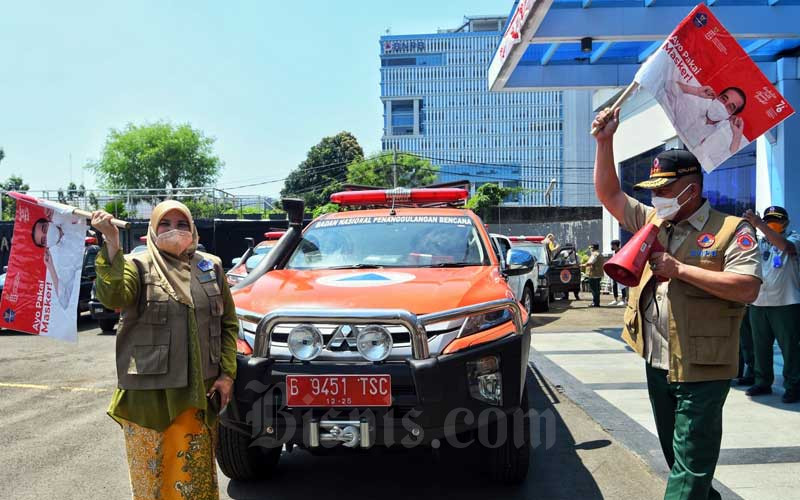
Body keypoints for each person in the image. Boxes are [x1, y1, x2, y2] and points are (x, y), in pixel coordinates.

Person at [592, 108, 762, 500]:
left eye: (666, 190)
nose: (657, 197)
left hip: (704, 364)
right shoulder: (654, 221)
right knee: (679, 459)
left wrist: (679, 269)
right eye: (654, 190)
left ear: (692, 187)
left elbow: (746, 287)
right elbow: (610, 194)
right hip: (658, 362)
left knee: (689, 469)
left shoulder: (732, 230)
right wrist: (604, 143)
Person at [92, 201, 238, 500]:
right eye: (165, 224)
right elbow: (113, 296)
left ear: (193, 229)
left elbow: (228, 324)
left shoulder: (210, 266)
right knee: (154, 480)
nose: (174, 230)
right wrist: (111, 242)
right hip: (149, 397)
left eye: (182, 224)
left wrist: (227, 374)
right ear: (153, 229)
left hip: (199, 395)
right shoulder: (136, 265)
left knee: (194, 480)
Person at [741, 206, 800, 403]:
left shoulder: (793, 238)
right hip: (759, 303)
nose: (771, 224)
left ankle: (794, 385)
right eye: (768, 220)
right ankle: (762, 381)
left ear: (786, 222)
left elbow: (786, 248)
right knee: (760, 346)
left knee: (790, 347)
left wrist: (760, 225)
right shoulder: (758, 242)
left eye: (776, 220)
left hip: (786, 303)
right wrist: (747, 226)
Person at [31, 211, 81, 309]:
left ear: (49, 222)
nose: (47, 235)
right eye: (43, 240)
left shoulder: (65, 218)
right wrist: (51, 268)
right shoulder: (62, 262)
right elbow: (64, 301)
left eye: (45, 229)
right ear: (46, 246)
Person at [583, 243, 604, 307]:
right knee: (597, 289)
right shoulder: (600, 254)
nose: (590, 249)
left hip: (593, 274)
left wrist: (583, 265)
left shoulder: (594, 254)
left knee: (594, 290)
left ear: (593, 248)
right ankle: (596, 302)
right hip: (599, 274)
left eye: (590, 248)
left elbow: (590, 262)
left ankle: (595, 303)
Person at [609, 239, 628, 306]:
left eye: (612, 245)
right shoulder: (614, 252)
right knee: (614, 285)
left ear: (616, 245)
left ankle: (624, 300)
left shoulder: (622, 251)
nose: (611, 246)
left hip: (621, 270)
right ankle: (615, 299)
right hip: (615, 271)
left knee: (622, 285)